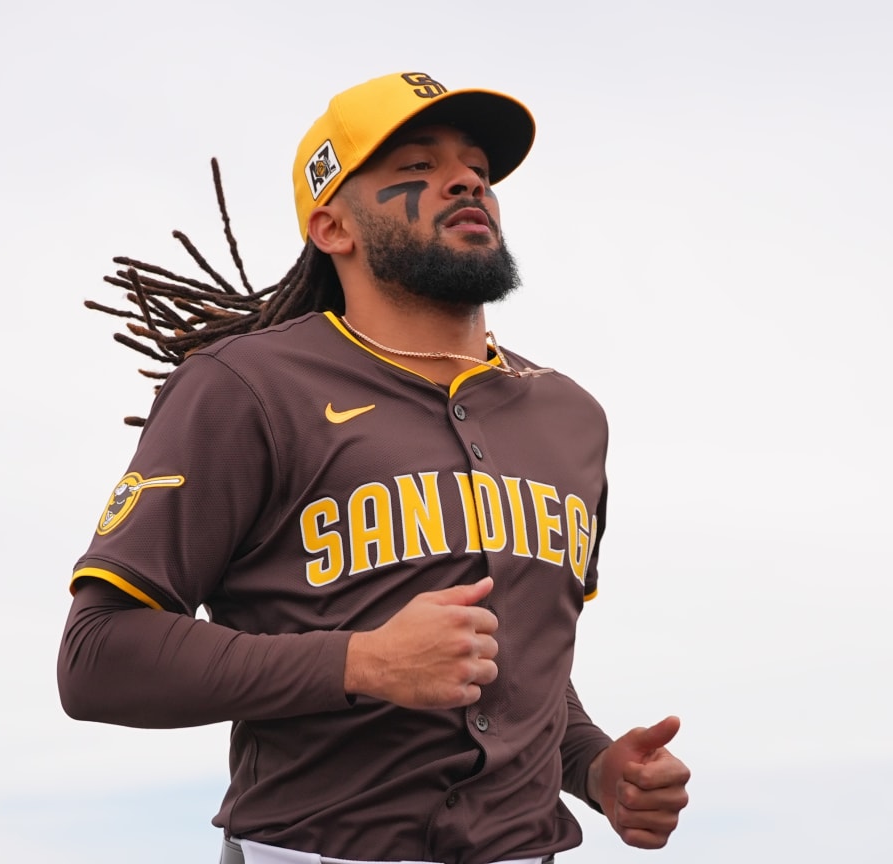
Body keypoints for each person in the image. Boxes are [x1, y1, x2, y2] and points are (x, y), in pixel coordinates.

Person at [57, 71, 690, 864]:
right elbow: (96, 659)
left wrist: (594, 766)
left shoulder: (570, 417)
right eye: (415, 168)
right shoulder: (246, 387)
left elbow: (518, 667)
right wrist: (361, 663)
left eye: (477, 169)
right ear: (332, 228)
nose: (465, 180)